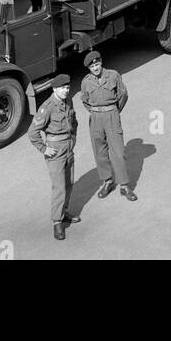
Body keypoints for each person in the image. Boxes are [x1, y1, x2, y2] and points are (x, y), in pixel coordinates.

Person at [80, 49, 136, 202]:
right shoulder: (86, 82)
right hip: (96, 117)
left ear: (101, 62)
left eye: (97, 64)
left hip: (112, 114)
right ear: (89, 69)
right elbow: (85, 100)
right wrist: (96, 112)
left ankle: (124, 185)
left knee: (118, 152)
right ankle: (108, 181)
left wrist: (114, 111)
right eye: (92, 67)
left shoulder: (113, 75)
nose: (95, 68)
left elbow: (123, 94)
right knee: (100, 151)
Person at [28, 74, 79, 241]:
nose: (66, 91)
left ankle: (63, 212)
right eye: (62, 88)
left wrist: (73, 139)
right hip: (55, 151)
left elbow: (74, 121)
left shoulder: (68, 101)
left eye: (67, 88)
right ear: (54, 89)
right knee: (59, 187)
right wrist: (44, 149)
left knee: (69, 183)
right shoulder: (47, 107)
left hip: (68, 147)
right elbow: (33, 132)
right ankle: (57, 222)